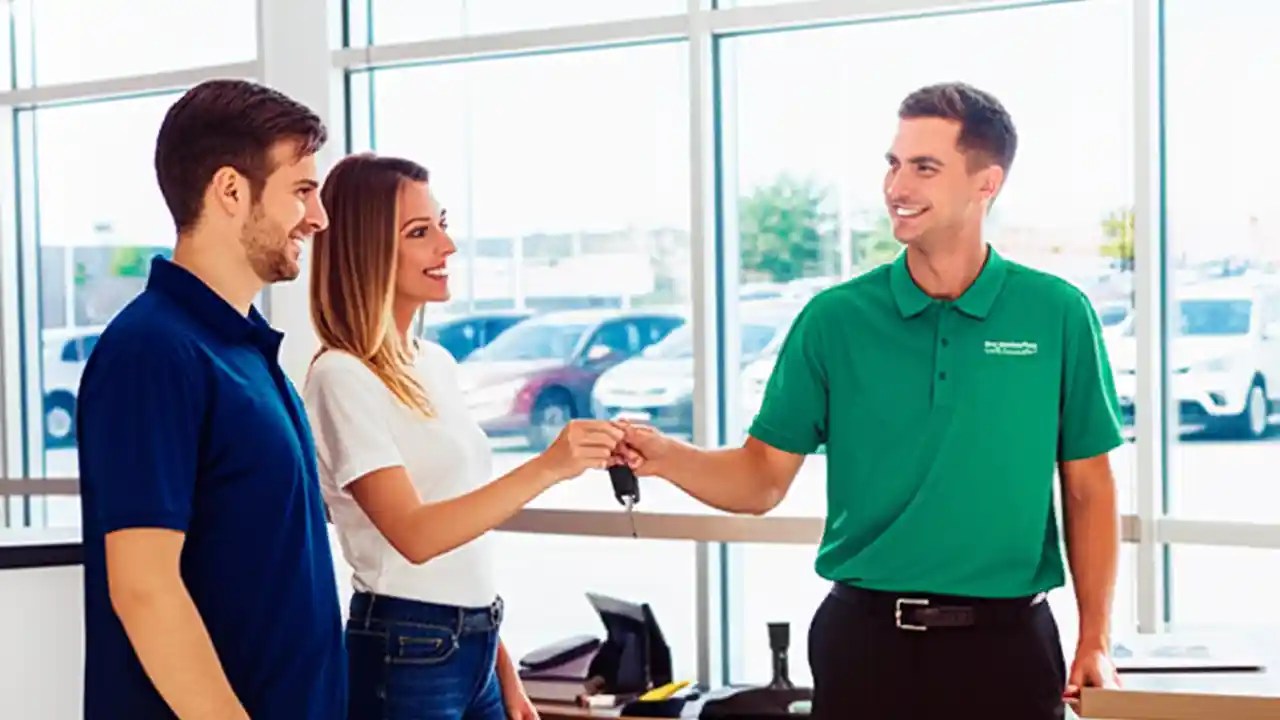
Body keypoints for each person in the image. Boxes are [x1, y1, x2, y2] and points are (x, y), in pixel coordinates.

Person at [619, 82, 1123, 719]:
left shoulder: (1057, 313)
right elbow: (760, 480)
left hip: (1010, 648)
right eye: (892, 163)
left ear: (985, 183)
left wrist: (1094, 637)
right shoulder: (835, 319)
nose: (896, 186)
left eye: (924, 167)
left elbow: (1089, 488)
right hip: (866, 645)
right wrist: (665, 456)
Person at [301, 152, 626, 720]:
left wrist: (501, 668)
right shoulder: (340, 377)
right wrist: (550, 466)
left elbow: (462, 547)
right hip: (405, 651)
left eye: (442, 225)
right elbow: (415, 537)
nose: (447, 248)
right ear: (367, 250)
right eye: (420, 232)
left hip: (474, 643)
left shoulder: (435, 363)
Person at [75, 79, 345, 719]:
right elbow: (144, 587)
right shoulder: (153, 352)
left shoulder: (246, 352)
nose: (319, 216)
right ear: (231, 190)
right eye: (302, 191)